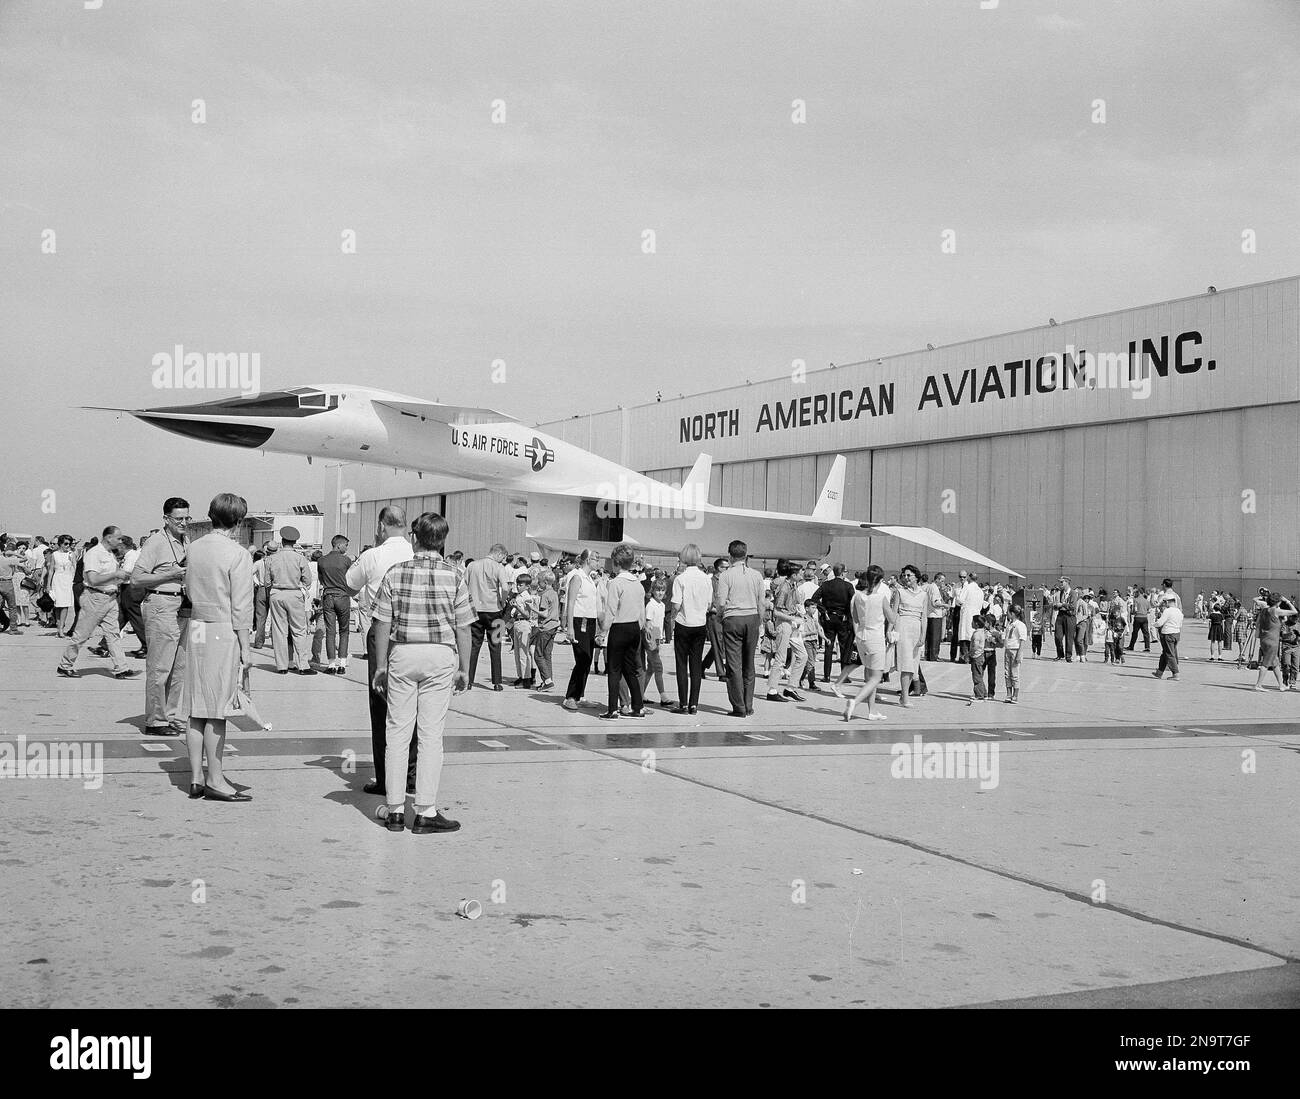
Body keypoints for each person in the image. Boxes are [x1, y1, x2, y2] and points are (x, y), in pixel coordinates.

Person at [369, 511, 472, 834]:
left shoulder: (395, 573)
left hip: (403, 653)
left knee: (397, 732)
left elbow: (382, 622)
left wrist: (382, 665)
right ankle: (425, 810)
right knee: (430, 735)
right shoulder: (454, 575)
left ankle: (396, 809)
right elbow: (464, 628)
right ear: (442, 541)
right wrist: (465, 668)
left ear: (414, 538)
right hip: (440, 655)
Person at [180, 492, 254, 801]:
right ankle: (216, 778)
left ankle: (196, 776)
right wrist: (246, 649)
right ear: (237, 522)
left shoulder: (193, 548)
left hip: (196, 627)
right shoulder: (238, 554)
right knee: (217, 710)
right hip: (224, 632)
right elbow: (241, 607)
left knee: (196, 709)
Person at [345, 506, 417, 797]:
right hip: (414, 632)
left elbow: (350, 585)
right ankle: (411, 774)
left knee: (382, 704)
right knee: (412, 704)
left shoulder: (372, 555)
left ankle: (386, 777)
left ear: (381, 526)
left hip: (382, 632)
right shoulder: (415, 555)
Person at [130, 498, 192, 735]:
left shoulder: (185, 540)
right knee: (160, 666)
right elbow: (136, 579)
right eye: (179, 519)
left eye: (187, 518)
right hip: (160, 603)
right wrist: (170, 574)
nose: (184, 523)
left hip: (182, 605)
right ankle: (156, 720)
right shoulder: (156, 542)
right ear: (166, 519)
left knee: (179, 667)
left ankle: (172, 716)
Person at [56, 527, 138, 680]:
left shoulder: (109, 554)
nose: (120, 541)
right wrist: (115, 574)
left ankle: (122, 667)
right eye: (118, 538)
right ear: (108, 538)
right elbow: (93, 579)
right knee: (82, 634)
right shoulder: (94, 554)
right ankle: (65, 665)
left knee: (113, 634)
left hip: (110, 598)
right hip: (95, 598)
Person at [832, 563, 896, 721]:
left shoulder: (857, 596)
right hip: (875, 637)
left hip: (861, 636)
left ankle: (872, 710)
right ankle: (855, 701)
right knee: (876, 676)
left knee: (869, 675)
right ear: (879, 580)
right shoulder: (881, 598)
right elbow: (893, 618)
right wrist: (894, 605)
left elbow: (854, 617)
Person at [714, 539, 766, 718]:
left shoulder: (726, 575)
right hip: (752, 617)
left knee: (734, 664)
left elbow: (721, 602)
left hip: (733, 618)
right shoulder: (756, 575)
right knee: (749, 663)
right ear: (745, 555)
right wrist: (759, 621)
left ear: (730, 555)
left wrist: (721, 616)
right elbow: (762, 603)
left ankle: (739, 706)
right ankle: (749, 704)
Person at [598, 543, 646, 720]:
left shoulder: (615, 583)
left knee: (614, 669)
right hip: (634, 627)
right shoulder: (638, 584)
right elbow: (642, 612)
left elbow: (610, 611)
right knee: (631, 669)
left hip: (619, 627)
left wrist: (603, 631)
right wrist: (639, 627)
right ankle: (638, 707)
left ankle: (612, 709)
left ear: (616, 563)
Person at [266, 526, 314, 675]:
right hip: (294, 594)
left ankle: (282, 665)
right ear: (294, 542)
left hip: (276, 593)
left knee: (279, 630)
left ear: (282, 541)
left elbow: (267, 581)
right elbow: (308, 580)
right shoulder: (300, 558)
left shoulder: (272, 558)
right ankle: (303, 665)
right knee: (299, 630)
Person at [669, 544, 711, 714]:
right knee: (695, 665)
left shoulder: (680, 579)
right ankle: (694, 703)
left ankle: (683, 703)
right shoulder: (706, 579)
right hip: (700, 624)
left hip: (683, 623)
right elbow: (709, 604)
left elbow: (676, 605)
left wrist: (672, 618)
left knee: (681, 664)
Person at [466, 543, 509, 690]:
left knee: (473, 645)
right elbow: (505, 587)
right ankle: (497, 682)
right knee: (496, 645)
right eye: (503, 558)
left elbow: (464, 585)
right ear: (499, 554)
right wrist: (503, 602)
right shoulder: (499, 568)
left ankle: (468, 680)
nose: (503, 561)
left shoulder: (472, 565)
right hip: (494, 611)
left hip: (475, 611)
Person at [764, 559, 807, 703]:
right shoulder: (784, 588)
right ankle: (772, 690)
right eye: (800, 572)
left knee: (802, 655)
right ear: (794, 574)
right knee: (781, 658)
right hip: (784, 624)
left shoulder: (793, 586)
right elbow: (776, 611)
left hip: (792, 624)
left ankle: (790, 688)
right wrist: (792, 618)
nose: (802, 574)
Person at [316, 534, 353, 674]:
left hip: (328, 596)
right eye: (346, 545)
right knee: (344, 630)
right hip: (343, 596)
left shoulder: (322, 560)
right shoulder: (346, 560)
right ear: (338, 545)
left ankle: (331, 664)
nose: (346, 548)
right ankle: (342, 664)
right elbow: (351, 579)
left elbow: (321, 579)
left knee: (330, 632)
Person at [810, 563, 855, 681]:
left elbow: (814, 599)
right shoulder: (848, 586)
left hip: (829, 618)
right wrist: (848, 615)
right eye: (845, 571)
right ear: (842, 573)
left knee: (828, 647)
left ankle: (827, 675)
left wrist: (823, 610)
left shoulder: (826, 585)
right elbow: (853, 603)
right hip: (842, 619)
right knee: (844, 647)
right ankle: (844, 676)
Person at [1253, 592, 1297, 692]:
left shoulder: (1264, 610)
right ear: (1277, 602)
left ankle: (1281, 685)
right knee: (1266, 663)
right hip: (1272, 640)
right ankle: (1258, 684)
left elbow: (1256, 601)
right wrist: (1288, 601)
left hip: (1264, 639)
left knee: (1275, 663)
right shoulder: (1276, 611)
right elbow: (1294, 611)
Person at [640, 578, 670, 706]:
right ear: (653, 591)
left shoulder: (662, 605)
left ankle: (641, 694)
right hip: (651, 636)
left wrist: (661, 637)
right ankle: (663, 696)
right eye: (657, 590)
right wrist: (650, 640)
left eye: (662, 590)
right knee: (658, 667)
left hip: (657, 635)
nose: (660, 593)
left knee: (651, 668)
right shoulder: (651, 604)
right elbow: (648, 622)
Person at [701, 558, 730, 681]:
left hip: (725, 616)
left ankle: (702, 666)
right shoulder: (711, 582)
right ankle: (721, 672)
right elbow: (711, 601)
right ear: (719, 568)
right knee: (718, 644)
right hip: (714, 616)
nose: (728, 570)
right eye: (725, 567)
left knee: (719, 645)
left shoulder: (726, 581)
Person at [508, 571, 539, 688]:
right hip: (516, 623)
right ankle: (520, 676)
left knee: (523, 653)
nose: (518, 586)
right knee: (517, 653)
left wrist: (517, 607)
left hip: (524, 624)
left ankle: (526, 679)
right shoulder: (519, 595)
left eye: (521, 585)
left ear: (527, 586)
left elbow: (527, 614)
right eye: (517, 584)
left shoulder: (527, 597)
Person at [531, 568, 560, 690]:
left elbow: (544, 614)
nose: (538, 584)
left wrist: (532, 608)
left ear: (545, 582)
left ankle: (547, 680)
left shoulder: (545, 595)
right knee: (547, 654)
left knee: (538, 654)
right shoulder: (554, 593)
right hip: (554, 626)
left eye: (540, 582)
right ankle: (548, 679)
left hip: (545, 627)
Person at [1151, 594, 1184, 681]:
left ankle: (1176, 674)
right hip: (1176, 633)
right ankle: (1159, 672)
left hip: (1168, 634)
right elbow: (1180, 624)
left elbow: (1160, 623)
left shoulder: (1168, 611)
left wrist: (1153, 624)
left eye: (1164, 602)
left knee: (1169, 654)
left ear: (1167, 602)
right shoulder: (1178, 611)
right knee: (1165, 653)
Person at [48, 535, 76, 637]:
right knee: (58, 605)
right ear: (60, 544)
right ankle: (58, 626)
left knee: (65, 605)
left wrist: (72, 559)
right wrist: (48, 585)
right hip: (57, 579)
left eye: (69, 544)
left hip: (68, 580)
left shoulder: (71, 554)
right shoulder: (54, 554)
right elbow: (51, 570)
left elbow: (75, 567)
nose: (67, 546)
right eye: (65, 544)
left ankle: (61, 628)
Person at [956, 571, 984, 663]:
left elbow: (960, 599)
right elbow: (981, 605)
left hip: (967, 613)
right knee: (972, 635)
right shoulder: (980, 590)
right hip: (975, 613)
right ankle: (972, 657)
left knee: (964, 635)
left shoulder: (967, 587)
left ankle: (964, 657)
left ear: (969, 578)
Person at [923, 571, 947, 661]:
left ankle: (929, 655)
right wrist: (944, 605)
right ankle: (934, 656)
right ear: (937, 580)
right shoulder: (935, 588)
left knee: (930, 637)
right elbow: (935, 603)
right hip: (935, 615)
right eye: (942, 581)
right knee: (935, 637)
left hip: (929, 614)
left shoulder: (929, 587)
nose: (943, 583)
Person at [968, 615, 988, 703]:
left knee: (976, 677)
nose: (971, 623)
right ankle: (984, 694)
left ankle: (979, 695)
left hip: (976, 656)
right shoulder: (982, 632)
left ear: (976, 624)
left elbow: (975, 646)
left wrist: (969, 653)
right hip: (981, 655)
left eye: (972, 621)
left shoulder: (976, 634)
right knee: (979, 675)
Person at [1128, 587, 1152, 651]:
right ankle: (1147, 647)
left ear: (1138, 593)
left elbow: (1135, 610)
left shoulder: (1136, 600)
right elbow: (1149, 610)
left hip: (1138, 617)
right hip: (1144, 618)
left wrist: (1132, 612)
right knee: (1146, 633)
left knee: (1135, 633)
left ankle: (1131, 646)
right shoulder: (1146, 601)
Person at [1207, 591, 1226, 661]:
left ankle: (1212, 656)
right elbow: (1223, 624)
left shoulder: (1211, 615)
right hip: (1219, 628)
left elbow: (1209, 623)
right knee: (1220, 642)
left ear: (1214, 608)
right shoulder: (1221, 615)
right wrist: (1223, 630)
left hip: (1213, 627)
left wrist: (1210, 629)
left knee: (1212, 642)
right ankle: (1220, 656)